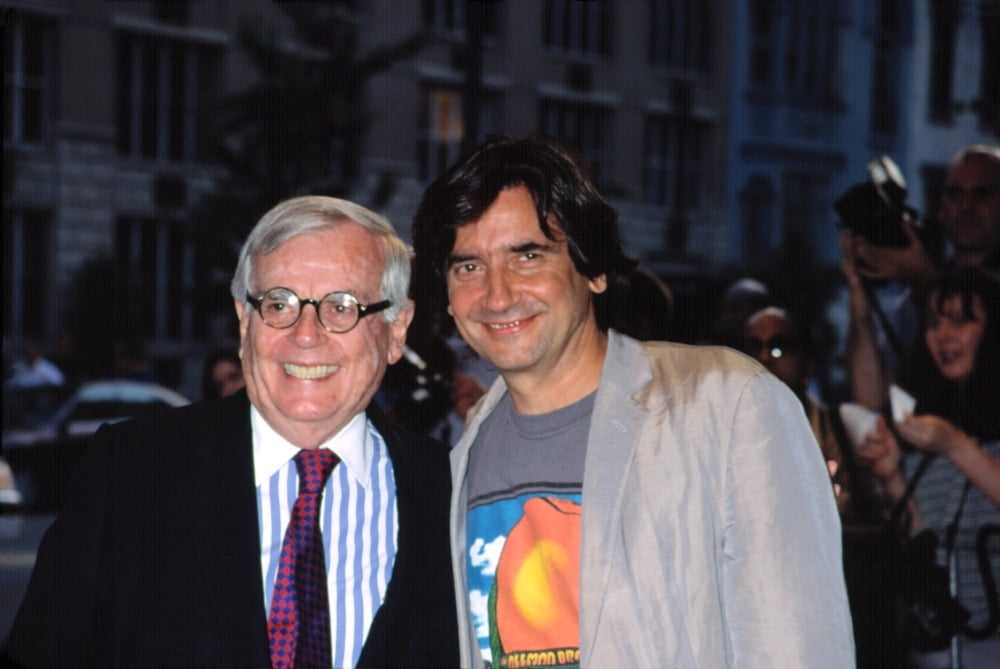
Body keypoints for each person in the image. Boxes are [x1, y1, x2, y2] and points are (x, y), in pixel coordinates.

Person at [411, 135, 854, 668]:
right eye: (468, 267)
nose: (497, 294)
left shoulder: (728, 404)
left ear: (594, 269)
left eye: (527, 255)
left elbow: (798, 647)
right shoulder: (467, 450)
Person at [2, 196, 458, 668]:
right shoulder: (128, 473)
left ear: (396, 329)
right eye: (278, 303)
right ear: (244, 322)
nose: (305, 334)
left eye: (341, 306)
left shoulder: (455, 494)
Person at [856, 266, 1000, 669]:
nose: (944, 336)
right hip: (941, 645)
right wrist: (891, 476)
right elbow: (923, 537)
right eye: (934, 323)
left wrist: (955, 445)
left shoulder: (944, 435)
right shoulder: (927, 421)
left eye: (961, 320)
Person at [842, 145, 1000, 410]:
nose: (966, 206)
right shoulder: (909, 305)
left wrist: (926, 282)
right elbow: (871, 398)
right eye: (954, 194)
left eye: (982, 193)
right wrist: (859, 297)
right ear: (941, 207)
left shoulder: (925, 287)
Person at [742, 305, 857, 518]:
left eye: (780, 346)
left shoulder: (846, 428)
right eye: (752, 347)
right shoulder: (721, 435)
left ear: (808, 364)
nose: (765, 357)